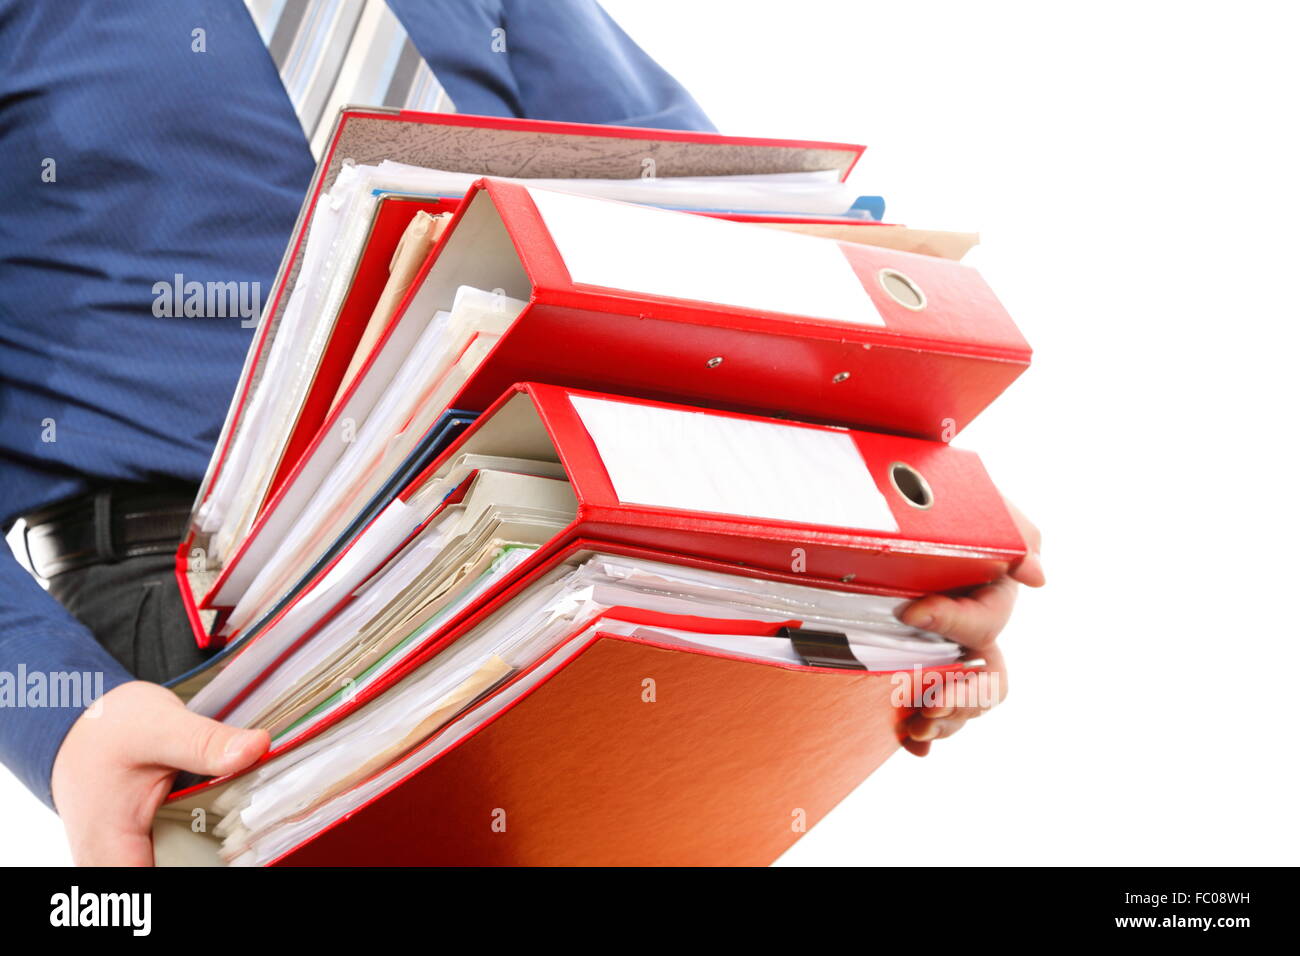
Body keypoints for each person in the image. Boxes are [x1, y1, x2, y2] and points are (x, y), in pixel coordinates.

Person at [0, 0, 1043, 866]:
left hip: (562, 538)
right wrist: (66, 720)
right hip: (199, 614)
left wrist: (895, 512)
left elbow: (722, 241)